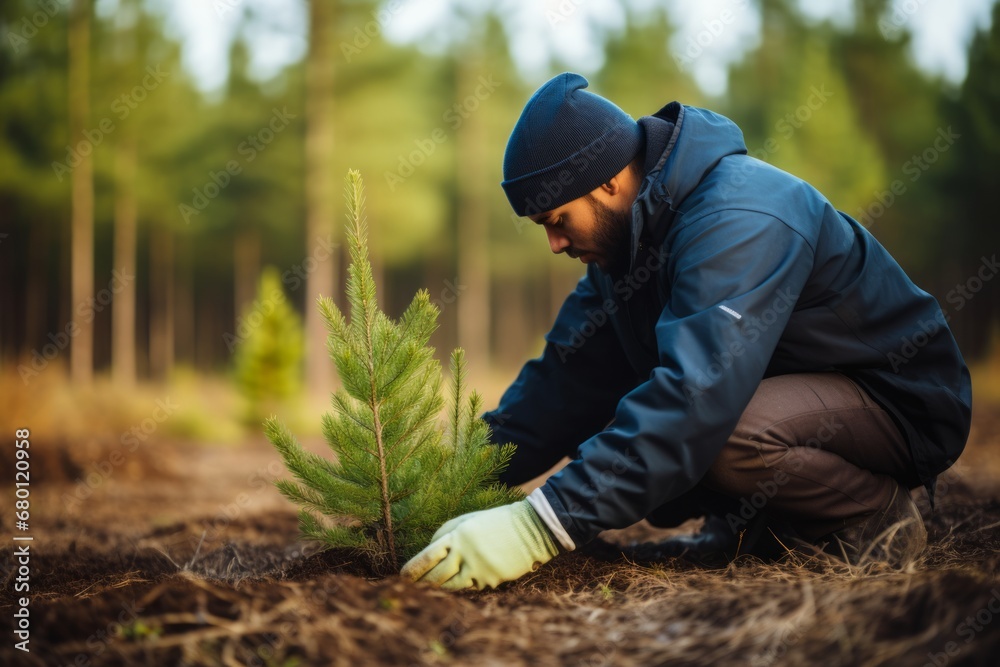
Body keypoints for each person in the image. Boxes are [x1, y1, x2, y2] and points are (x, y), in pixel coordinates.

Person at [400, 72, 972, 591]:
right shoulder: (622, 253)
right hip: (795, 398)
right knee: (637, 417)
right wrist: (446, 482)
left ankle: (876, 519)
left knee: (720, 433)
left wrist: (538, 527)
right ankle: (757, 534)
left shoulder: (737, 217)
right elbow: (561, 388)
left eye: (555, 220)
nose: (553, 243)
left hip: (898, 400)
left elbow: (695, 399)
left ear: (606, 184)